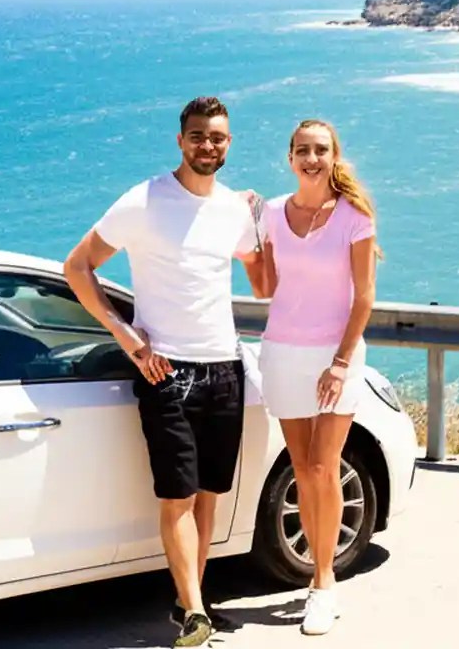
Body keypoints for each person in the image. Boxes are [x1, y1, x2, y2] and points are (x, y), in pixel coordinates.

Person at [63, 96, 265, 648]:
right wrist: (126, 336)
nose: (208, 146)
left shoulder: (233, 209)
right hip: (166, 372)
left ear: (229, 144)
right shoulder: (144, 200)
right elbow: (77, 268)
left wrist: (261, 220)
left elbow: (263, 284)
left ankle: (189, 606)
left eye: (218, 138)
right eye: (198, 136)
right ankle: (198, 611)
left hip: (224, 366)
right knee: (176, 497)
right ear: (180, 140)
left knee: (206, 497)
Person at [254, 118, 379, 636]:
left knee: (326, 469)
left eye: (320, 150)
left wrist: (342, 362)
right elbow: (264, 288)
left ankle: (323, 585)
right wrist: (253, 238)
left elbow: (365, 296)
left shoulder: (354, 216)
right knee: (302, 471)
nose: (311, 158)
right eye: (302, 150)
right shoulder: (272, 215)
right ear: (289, 157)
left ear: (334, 156)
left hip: (336, 359)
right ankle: (318, 575)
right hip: (282, 352)